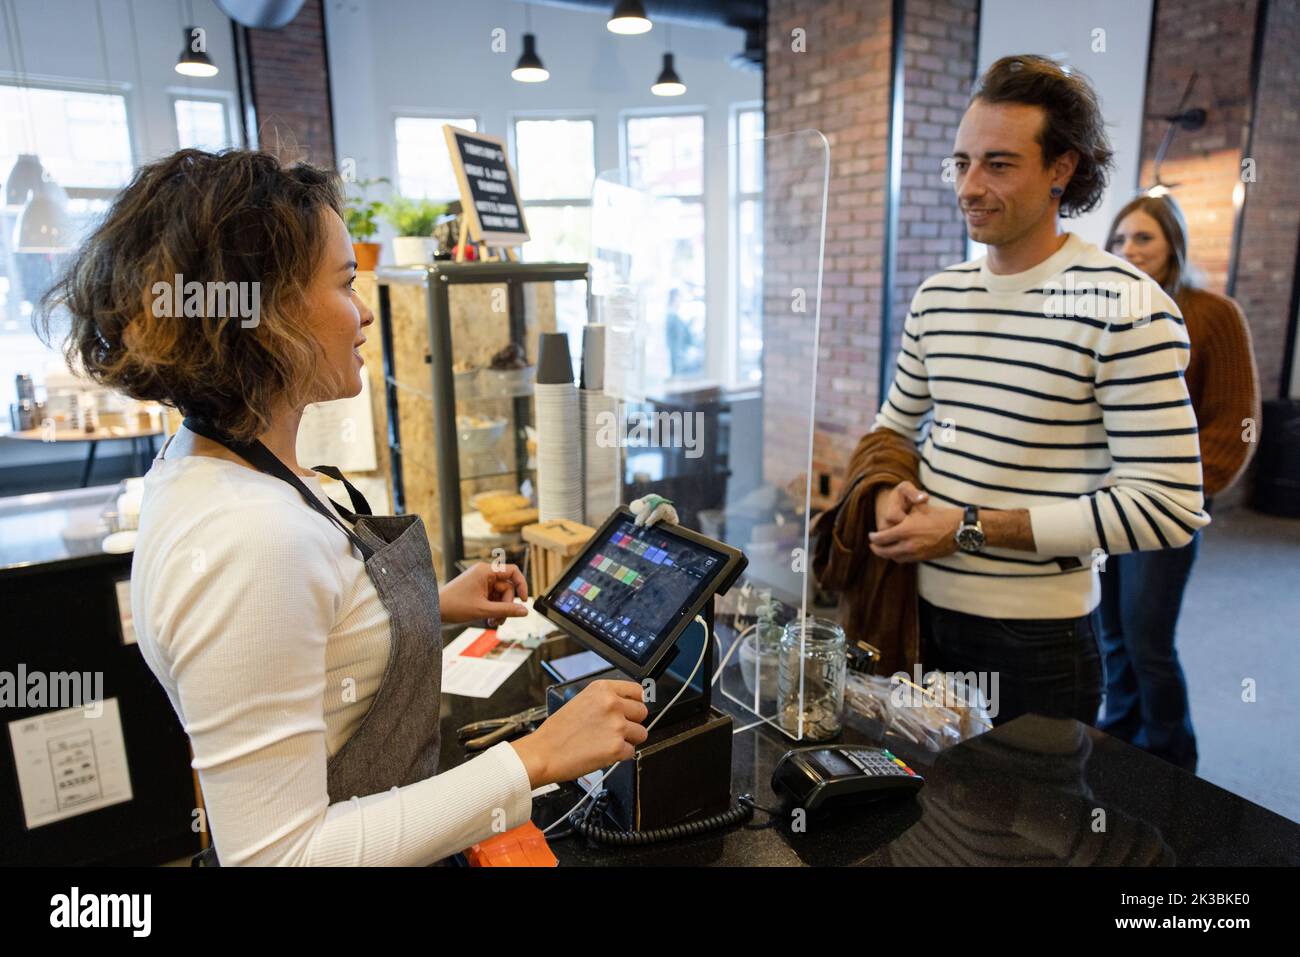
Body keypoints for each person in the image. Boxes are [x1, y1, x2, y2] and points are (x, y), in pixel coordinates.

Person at [38, 149, 649, 865]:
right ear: (263, 315)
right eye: (344, 284)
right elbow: (281, 856)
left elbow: (306, 639)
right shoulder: (252, 538)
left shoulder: (209, 462)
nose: (363, 312)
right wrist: (538, 755)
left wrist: (425, 606)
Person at [869, 55, 1209, 726]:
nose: (969, 185)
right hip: (916, 612)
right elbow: (893, 429)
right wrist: (884, 490)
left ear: (1063, 169)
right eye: (962, 163)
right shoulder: (938, 296)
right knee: (923, 821)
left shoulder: (1126, 305)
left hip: (1037, 640)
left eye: (999, 164)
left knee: (1029, 830)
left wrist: (966, 530)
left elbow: (1168, 507)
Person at [1099, 193, 1260, 769]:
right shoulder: (1107, 312)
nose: (1129, 250)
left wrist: (1186, 490)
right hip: (1104, 506)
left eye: (1143, 238)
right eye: (1119, 239)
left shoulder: (1214, 314)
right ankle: (1116, 743)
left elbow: (1235, 423)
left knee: (1148, 642)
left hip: (1165, 510)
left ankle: (1170, 757)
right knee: (1111, 636)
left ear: (1173, 243)